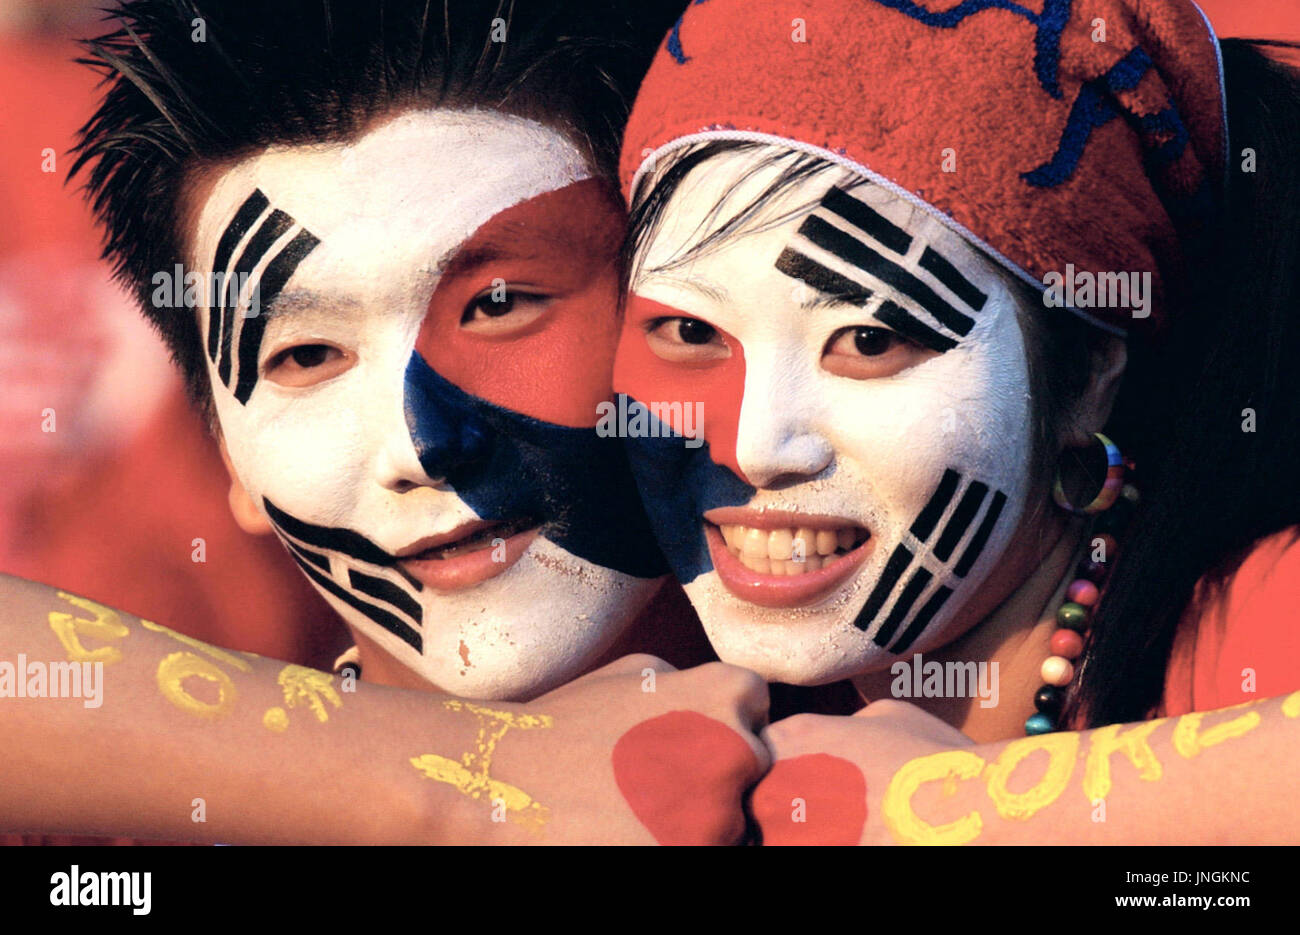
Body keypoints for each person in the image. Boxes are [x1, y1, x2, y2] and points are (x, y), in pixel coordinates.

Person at [1, 0, 764, 846]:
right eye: (307, 355)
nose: (422, 447)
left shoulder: (902, 776)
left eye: (498, 305)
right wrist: (480, 778)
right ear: (228, 455)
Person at [612, 0, 1300, 843]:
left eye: (867, 339)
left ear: (1083, 382)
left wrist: (973, 810)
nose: (757, 446)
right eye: (688, 332)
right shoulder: (659, 665)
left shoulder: (1258, 620)